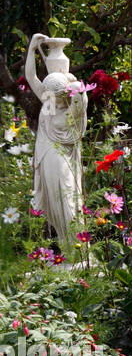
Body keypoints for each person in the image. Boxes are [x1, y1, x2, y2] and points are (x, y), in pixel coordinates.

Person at [25, 33, 88, 252]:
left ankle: (77, 249)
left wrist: (72, 84)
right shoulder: (48, 99)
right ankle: (66, 243)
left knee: (68, 198)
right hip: (47, 155)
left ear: (66, 94)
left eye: (57, 96)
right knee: (54, 200)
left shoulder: (74, 110)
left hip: (63, 157)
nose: (51, 99)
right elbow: (31, 77)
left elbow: (81, 97)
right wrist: (32, 48)